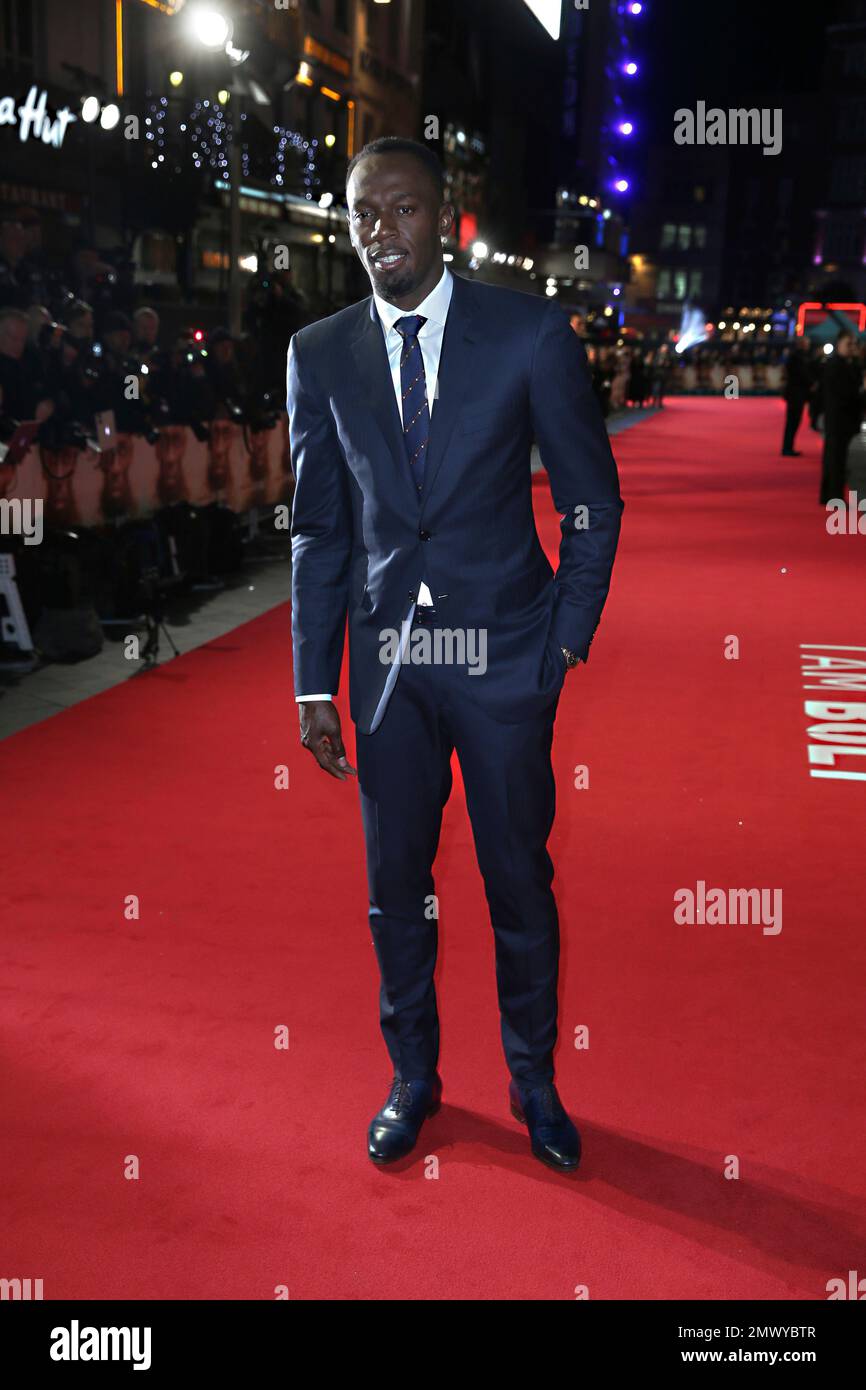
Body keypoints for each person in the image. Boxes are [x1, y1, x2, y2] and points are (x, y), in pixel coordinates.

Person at [287, 137, 623, 1171]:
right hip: (388, 666)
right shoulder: (320, 351)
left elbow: (590, 502)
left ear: (446, 219)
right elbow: (320, 530)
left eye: (402, 207)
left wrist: (558, 646)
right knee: (395, 885)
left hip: (501, 659)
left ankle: (532, 1082)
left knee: (515, 877)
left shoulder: (527, 336)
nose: (380, 227)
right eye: (362, 212)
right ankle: (413, 1078)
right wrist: (312, 678)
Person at [820, 332, 863, 505]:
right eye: (849, 344)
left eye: (853, 344)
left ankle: (828, 495)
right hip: (839, 420)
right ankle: (834, 496)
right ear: (839, 344)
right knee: (837, 460)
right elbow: (846, 394)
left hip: (839, 419)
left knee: (833, 459)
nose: (852, 347)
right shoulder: (836, 366)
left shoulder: (847, 364)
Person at [781, 342, 812, 456]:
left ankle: (788, 447)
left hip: (794, 394)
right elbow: (802, 374)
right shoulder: (798, 358)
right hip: (796, 395)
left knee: (791, 422)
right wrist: (811, 383)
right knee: (793, 422)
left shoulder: (794, 357)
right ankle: (787, 448)